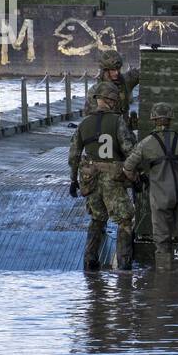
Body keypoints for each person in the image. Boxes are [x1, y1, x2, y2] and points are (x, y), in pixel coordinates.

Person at [123, 102, 178, 270]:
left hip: (160, 196)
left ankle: (163, 282)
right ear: (170, 120)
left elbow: (127, 168)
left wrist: (138, 179)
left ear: (153, 120)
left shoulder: (145, 143)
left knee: (161, 240)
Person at [69, 81, 136, 270]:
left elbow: (73, 154)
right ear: (111, 100)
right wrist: (135, 175)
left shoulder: (84, 124)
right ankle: (124, 265)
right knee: (124, 220)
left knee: (97, 219)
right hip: (112, 179)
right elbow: (129, 150)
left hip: (90, 179)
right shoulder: (117, 121)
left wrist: (73, 180)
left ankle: (90, 262)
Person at [83, 48, 139, 116]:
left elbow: (144, 71)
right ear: (105, 70)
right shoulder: (94, 92)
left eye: (118, 69)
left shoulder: (125, 81)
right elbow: (89, 119)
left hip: (123, 124)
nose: (116, 73)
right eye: (112, 70)